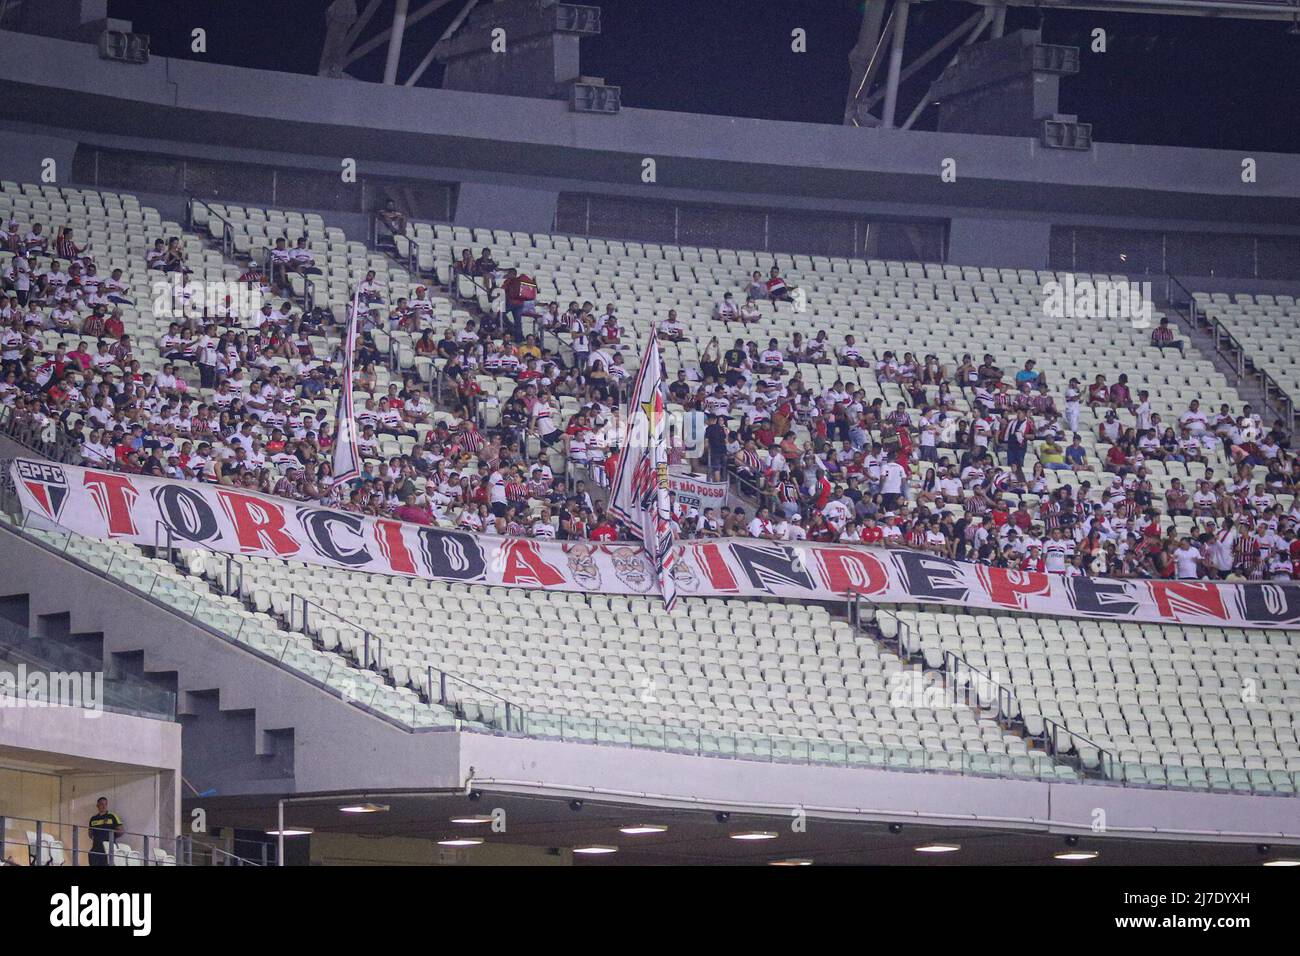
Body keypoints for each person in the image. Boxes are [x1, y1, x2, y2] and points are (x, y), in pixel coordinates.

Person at [88, 796, 124, 866]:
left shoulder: (112, 816)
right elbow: (90, 834)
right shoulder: (93, 818)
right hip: (96, 848)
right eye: (102, 804)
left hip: (109, 848)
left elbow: (121, 831)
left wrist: (111, 837)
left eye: (106, 804)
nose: (104, 806)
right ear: (97, 806)